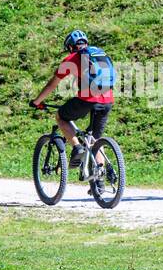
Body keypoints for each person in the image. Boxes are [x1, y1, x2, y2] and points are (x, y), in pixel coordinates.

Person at [31, 30, 114, 168]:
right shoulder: (98, 53)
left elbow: (53, 84)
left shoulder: (72, 58)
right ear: (85, 43)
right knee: (95, 140)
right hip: (107, 100)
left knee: (61, 117)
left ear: (70, 47)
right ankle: (100, 182)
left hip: (88, 99)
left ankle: (77, 147)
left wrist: (37, 102)